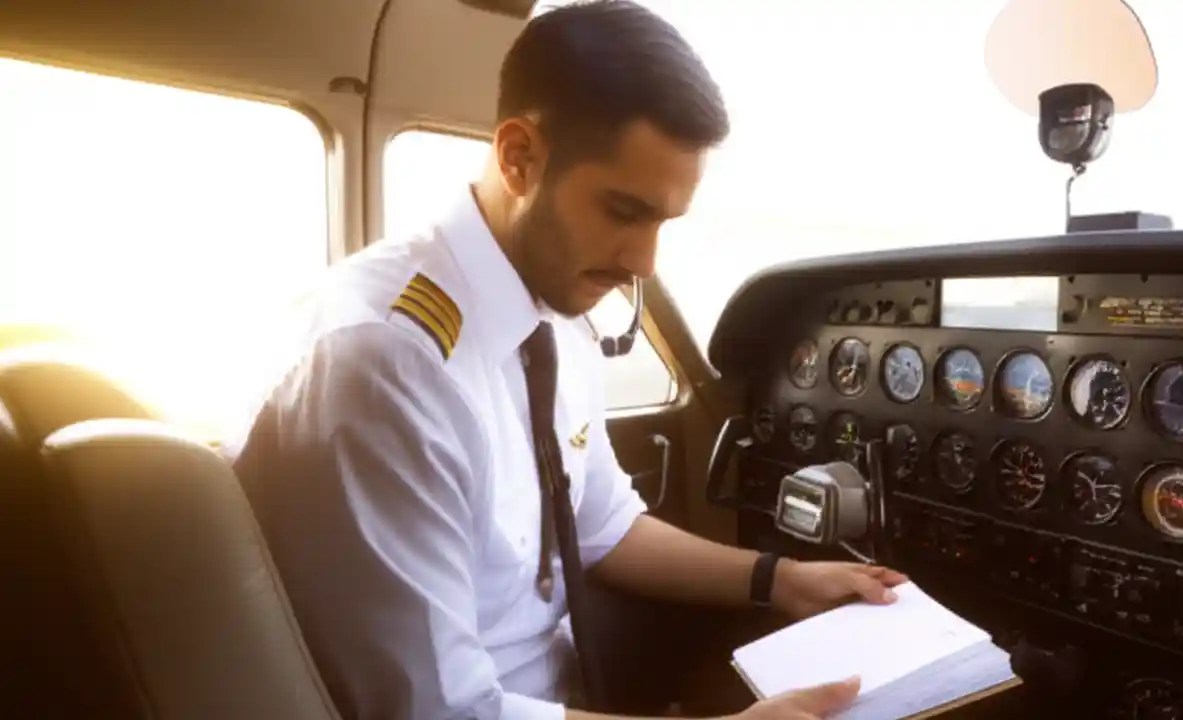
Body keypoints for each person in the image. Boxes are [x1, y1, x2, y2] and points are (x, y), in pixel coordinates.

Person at [225, 1, 908, 718]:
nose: (642, 261)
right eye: (623, 211)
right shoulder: (385, 363)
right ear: (519, 157)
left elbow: (604, 526)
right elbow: (436, 711)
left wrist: (782, 578)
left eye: (663, 222)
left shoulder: (553, 316)